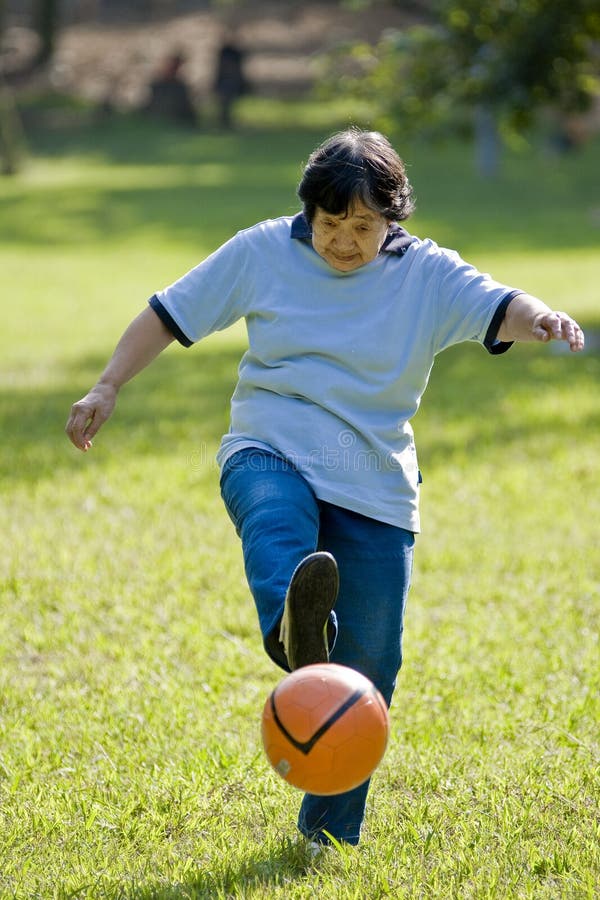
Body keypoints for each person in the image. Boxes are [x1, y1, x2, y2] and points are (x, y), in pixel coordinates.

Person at [65, 128, 584, 848]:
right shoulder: (262, 252)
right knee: (275, 516)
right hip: (269, 445)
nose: (343, 240)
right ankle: (292, 622)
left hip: (374, 484)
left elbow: (501, 306)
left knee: (370, 670)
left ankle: (328, 835)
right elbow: (168, 313)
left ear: (393, 220)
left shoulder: (425, 274)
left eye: (363, 225)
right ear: (306, 212)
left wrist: (545, 319)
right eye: (329, 222)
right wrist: (106, 384)